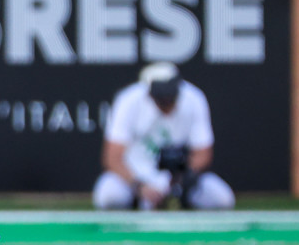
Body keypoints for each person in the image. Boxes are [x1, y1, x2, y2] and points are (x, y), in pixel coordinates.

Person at [92, 62, 235, 211]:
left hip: (179, 177)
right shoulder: (128, 101)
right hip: (136, 176)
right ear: (149, 93)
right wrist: (140, 187)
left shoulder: (194, 98)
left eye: (171, 98)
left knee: (222, 199)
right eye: (162, 100)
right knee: (109, 196)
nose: (168, 105)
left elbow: (203, 153)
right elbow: (112, 158)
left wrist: (181, 180)